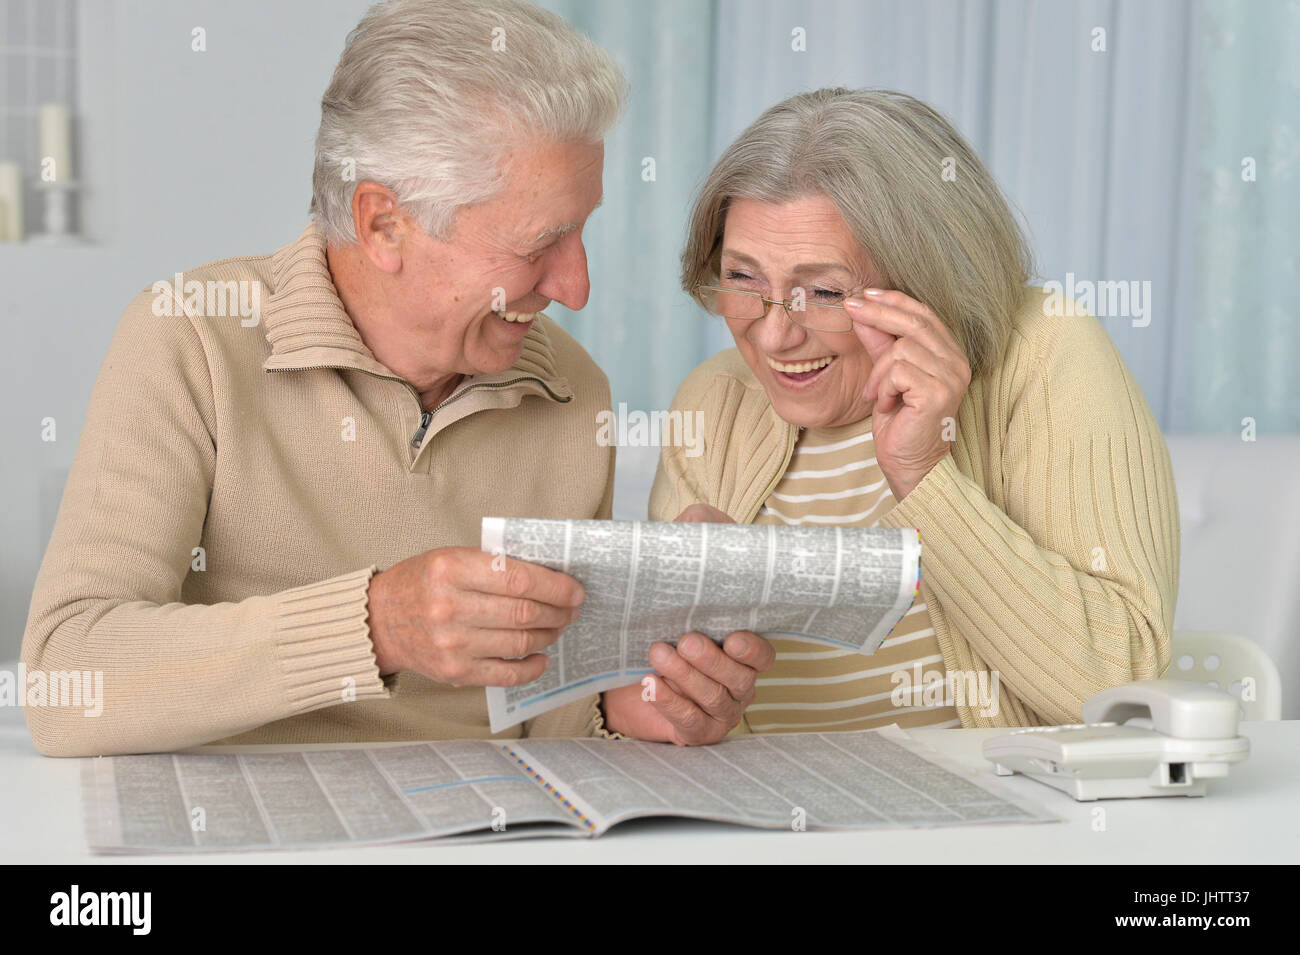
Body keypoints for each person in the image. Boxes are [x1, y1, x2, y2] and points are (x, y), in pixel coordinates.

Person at [21, 0, 770, 757]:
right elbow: (66, 676)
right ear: (384, 224)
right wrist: (375, 625)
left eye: (582, 229)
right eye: (539, 243)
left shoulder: (572, 388)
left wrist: (625, 703)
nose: (575, 288)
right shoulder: (190, 341)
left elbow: (543, 712)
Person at [624, 87, 1179, 732]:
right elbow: (663, 713)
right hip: (763, 799)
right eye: (743, 279)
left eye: (822, 291)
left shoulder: (1046, 352)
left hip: (983, 798)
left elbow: (1120, 693)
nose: (773, 336)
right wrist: (676, 636)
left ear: (929, 281)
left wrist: (923, 477)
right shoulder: (714, 401)